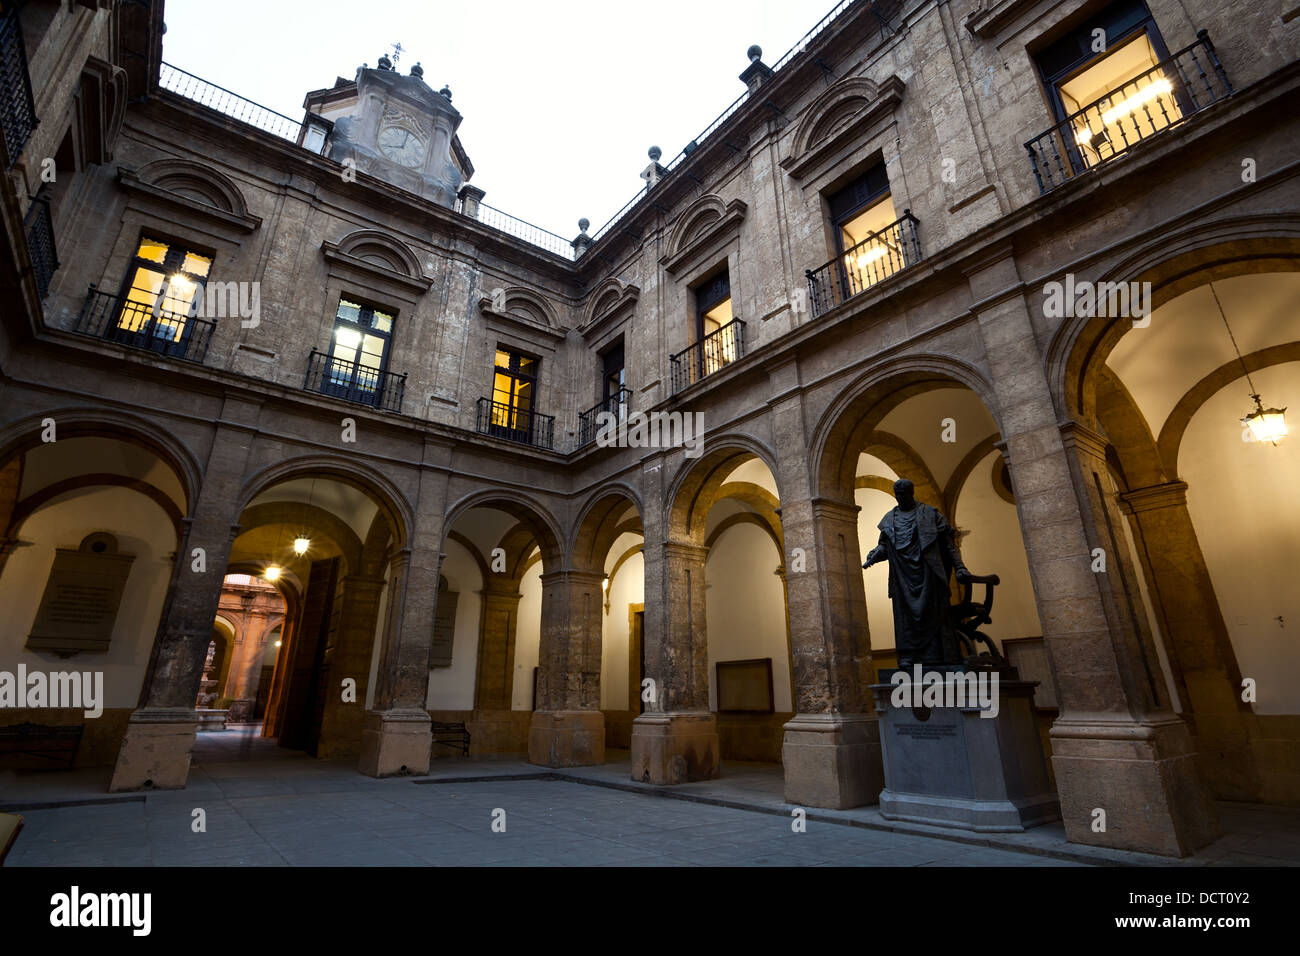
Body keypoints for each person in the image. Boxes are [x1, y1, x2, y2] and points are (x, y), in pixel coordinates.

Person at [863, 478, 970, 666]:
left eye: (903, 493)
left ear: (912, 493)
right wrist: (873, 556)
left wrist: (960, 567)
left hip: (929, 574)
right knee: (905, 619)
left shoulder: (930, 514)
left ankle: (940, 657)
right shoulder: (889, 519)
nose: (900, 497)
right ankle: (909, 656)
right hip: (903, 578)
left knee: (935, 615)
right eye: (897, 494)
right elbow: (884, 546)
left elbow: (948, 545)